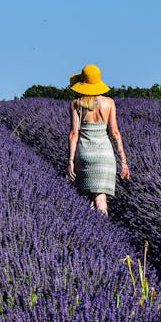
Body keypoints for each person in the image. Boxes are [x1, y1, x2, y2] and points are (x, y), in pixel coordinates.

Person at [66, 64, 129, 215]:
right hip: (104, 156)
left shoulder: (76, 104)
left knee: (88, 200)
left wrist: (70, 161)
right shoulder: (109, 103)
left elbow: (73, 134)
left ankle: (91, 234)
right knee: (101, 199)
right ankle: (104, 233)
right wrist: (123, 161)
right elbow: (115, 133)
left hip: (85, 155)